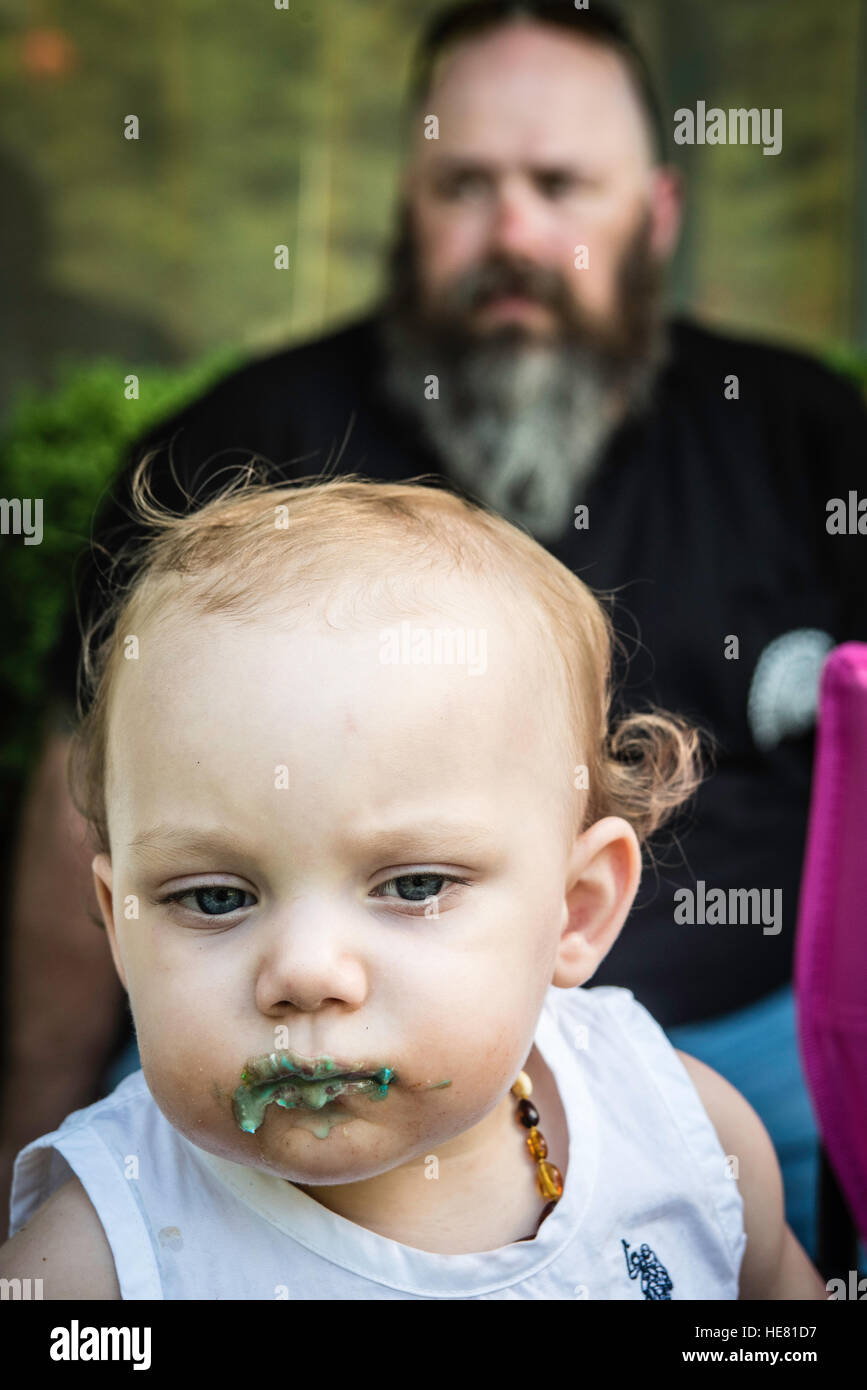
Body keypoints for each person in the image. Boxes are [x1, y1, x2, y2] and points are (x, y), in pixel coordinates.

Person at [3, 0, 864, 1262]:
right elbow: (89, 793)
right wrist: (26, 1122)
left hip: (754, 1048)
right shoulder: (237, 452)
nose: (514, 230)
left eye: (561, 184)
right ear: (408, 201)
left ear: (657, 215)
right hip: (258, 1080)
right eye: (467, 183)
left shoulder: (800, 435)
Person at [0, 468, 828, 1299]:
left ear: (575, 911)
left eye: (413, 884)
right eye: (215, 898)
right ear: (120, 926)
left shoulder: (681, 1138)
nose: (306, 973)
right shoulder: (98, 1265)